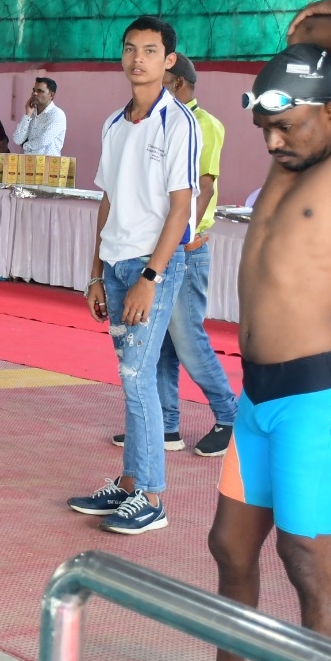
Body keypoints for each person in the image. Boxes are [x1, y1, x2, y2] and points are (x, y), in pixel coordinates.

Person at [172, 0, 331, 661]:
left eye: (287, 126)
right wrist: (303, 46)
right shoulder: (289, 165)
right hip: (257, 401)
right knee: (231, 544)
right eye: (266, 128)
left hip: (318, 398)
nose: (274, 141)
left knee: (310, 567)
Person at [69, 17, 198, 535]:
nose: (137, 58)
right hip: (117, 266)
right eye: (130, 49)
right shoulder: (112, 124)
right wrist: (95, 274)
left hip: (152, 269)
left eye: (149, 50)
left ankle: (152, 497)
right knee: (130, 376)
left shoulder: (178, 122)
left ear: (169, 60)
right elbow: (108, 199)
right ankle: (128, 486)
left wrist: (151, 275)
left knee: (136, 376)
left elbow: (181, 208)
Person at [111, 53, 236, 457]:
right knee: (158, 343)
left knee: (187, 340)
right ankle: (165, 424)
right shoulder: (145, 120)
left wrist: (179, 247)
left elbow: (204, 187)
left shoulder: (201, 124)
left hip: (183, 251)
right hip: (158, 251)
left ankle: (229, 414)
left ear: (177, 82)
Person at [12, 76, 67, 155]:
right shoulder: (31, 113)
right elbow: (17, 139)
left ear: (51, 95)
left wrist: (25, 145)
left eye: (40, 91)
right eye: (34, 90)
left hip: (48, 165)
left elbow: (43, 140)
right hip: (28, 164)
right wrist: (27, 115)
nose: (34, 93)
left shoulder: (57, 114)